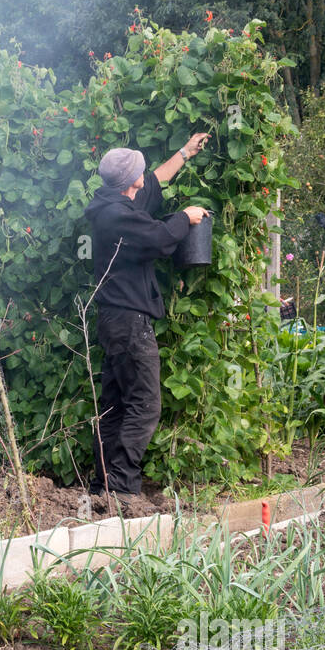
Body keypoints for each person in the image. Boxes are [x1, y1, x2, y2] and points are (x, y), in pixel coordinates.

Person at [84, 136, 211, 510]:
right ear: (128, 180)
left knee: (115, 404)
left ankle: (103, 484)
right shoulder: (117, 216)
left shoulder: (115, 201)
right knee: (144, 404)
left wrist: (186, 152)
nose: (144, 173)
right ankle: (122, 489)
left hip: (114, 319)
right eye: (138, 168)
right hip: (129, 321)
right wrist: (185, 218)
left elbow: (156, 179)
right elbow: (158, 236)